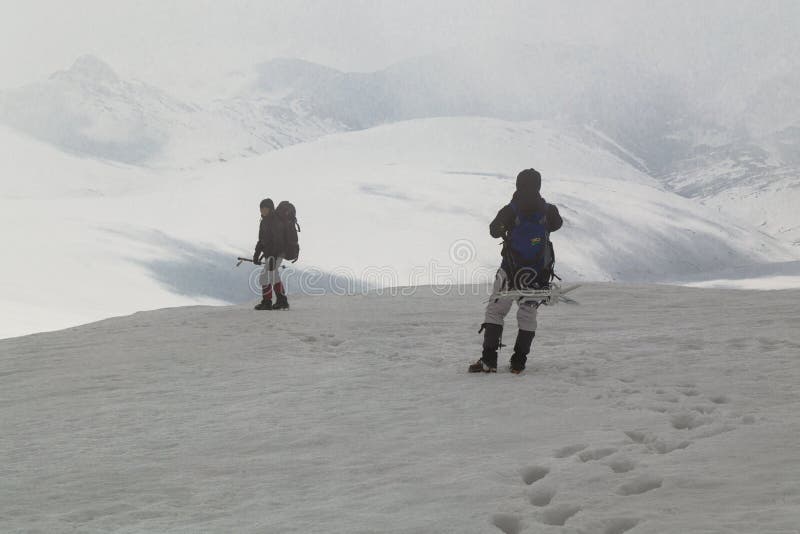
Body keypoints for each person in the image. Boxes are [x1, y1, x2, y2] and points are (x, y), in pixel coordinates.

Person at [469, 168, 563, 374]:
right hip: (537, 274)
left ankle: (489, 361)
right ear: (538, 186)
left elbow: (494, 230)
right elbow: (557, 225)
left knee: (496, 311)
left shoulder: (510, 210)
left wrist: (506, 229)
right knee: (528, 314)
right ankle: (518, 364)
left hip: (509, 271)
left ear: (518, 185)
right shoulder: (548, 210)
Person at [253, 198, 290, 310]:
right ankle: (277, 301)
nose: (262, 211)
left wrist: (273, 256)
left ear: (270, 208)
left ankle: (272, 301)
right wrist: (256, 255)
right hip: (271, 254)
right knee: (270, 276)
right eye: (261, 209)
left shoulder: (275, 221)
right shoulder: (264, 222)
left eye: (264, 208)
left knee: (268, 275)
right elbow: (261, 241)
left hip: (278, 253)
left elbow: (278, 240)